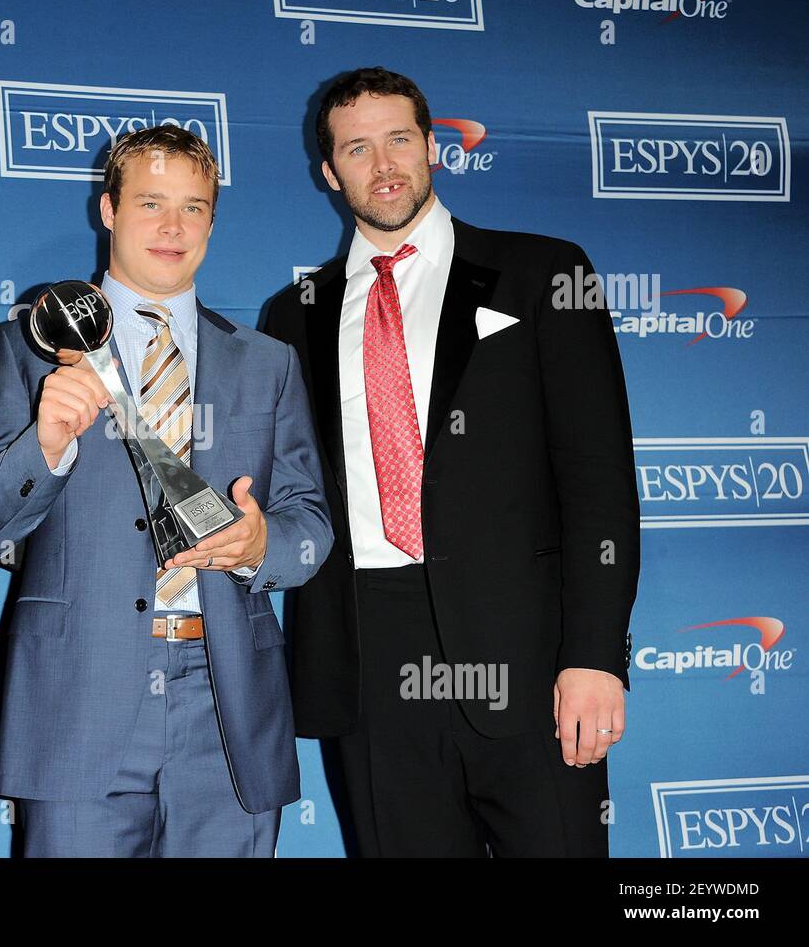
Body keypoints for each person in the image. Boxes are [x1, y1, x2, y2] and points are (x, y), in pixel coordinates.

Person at [264, 67, 639, 857]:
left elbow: (598, 479)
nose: (384, 164)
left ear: (432, 147)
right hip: (368, 661)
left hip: (530, 656)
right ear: (330, 173)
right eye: (357, 149)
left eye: (399, 139)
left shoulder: (543, 273)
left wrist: (595, 659)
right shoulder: (291, 316)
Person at [0, 125, 332, 857]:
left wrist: (264, 544)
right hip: (79, 699)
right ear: (108, 210)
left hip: (229, 706)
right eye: (151, 204)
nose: (173, 227)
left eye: (194, 208)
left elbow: (310, 523)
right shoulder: (26, 349)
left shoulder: (268, 364)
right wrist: (46, 445)